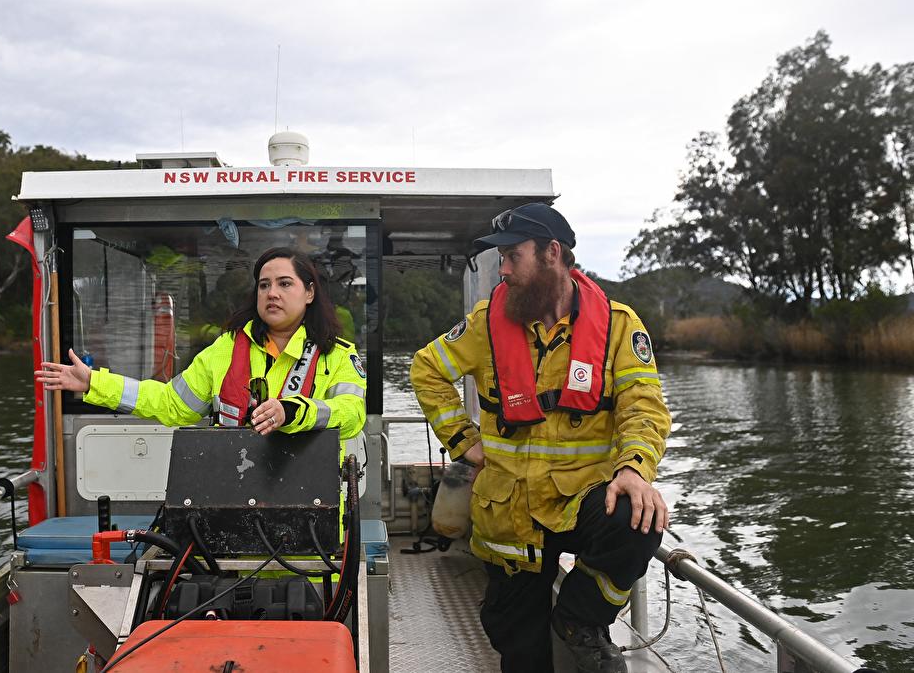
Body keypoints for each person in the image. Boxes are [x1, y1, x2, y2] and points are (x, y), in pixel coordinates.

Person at [409, 203, 670, 673]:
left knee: (638, 515)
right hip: (508, 512)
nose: (503, 269)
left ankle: (579, 619)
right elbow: (426, 369)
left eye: (512, 256)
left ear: (553, 253)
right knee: (521, 653)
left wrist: (634, 469)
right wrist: (463, 439)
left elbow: (644, 406)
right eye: (502, 259)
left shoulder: (619, 325)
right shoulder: (488, 322)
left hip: (581, 498)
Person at [37, 247, 365, 448]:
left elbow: (352, 415)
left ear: (309, 293)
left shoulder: (337, 355)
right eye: (264, 285)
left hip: (313, 517)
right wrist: (95, 382)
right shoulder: (224, 350)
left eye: (284, 284)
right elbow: (170, 403)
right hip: (235, 499)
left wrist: (292, 411)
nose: (272, 293)